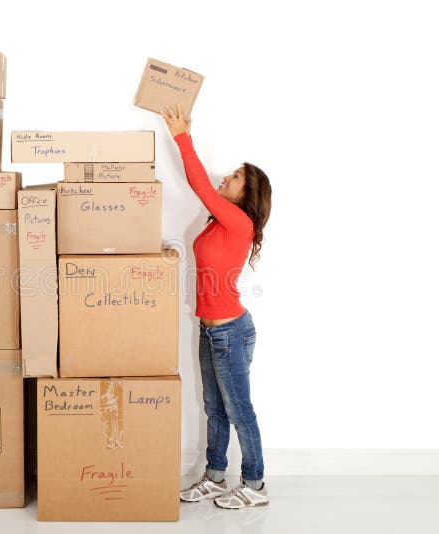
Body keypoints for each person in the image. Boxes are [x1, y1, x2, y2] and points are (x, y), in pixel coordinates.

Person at [161, 104, 272, 509]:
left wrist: (180, 135)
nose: (226, 177)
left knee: (239, 410)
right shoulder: (217, 223)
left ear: (248, 193)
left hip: (230, 331)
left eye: (236, 176)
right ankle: (214, 475)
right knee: (214, 408)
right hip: (210, 329)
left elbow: (201, 186)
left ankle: (255, 484)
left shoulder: (239, 222)